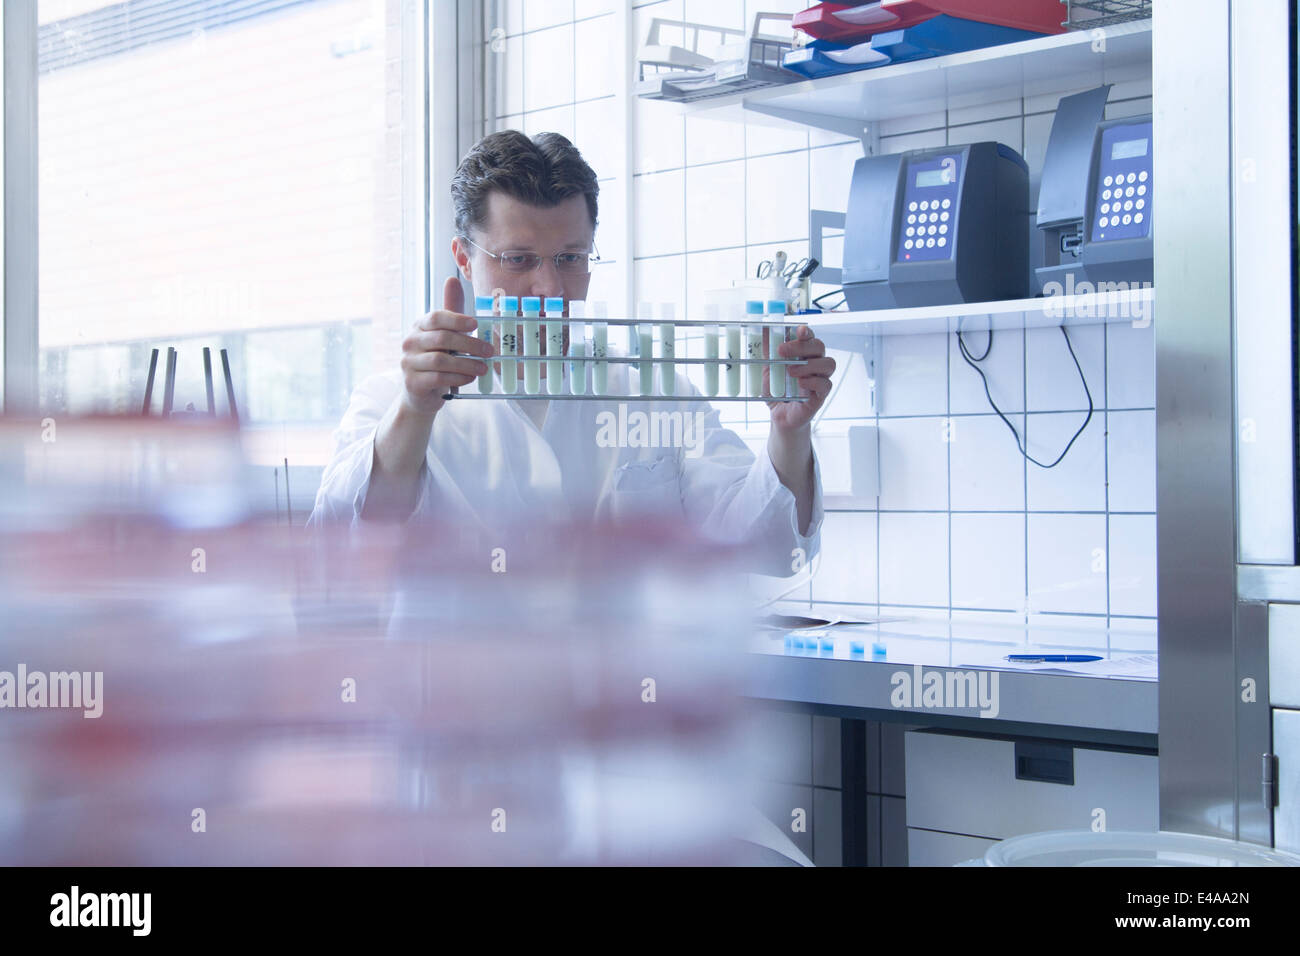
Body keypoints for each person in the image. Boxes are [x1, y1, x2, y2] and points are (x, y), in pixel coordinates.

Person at [309, 131, 835, 576]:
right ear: (464, 260)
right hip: (459, 696)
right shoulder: (388, 402)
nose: (549, 287)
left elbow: (769, 550)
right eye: (518, 259)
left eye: (570, 257)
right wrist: (413, 412)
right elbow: (340, 552)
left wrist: (789, 431)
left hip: (621, 695)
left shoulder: (654, 394)